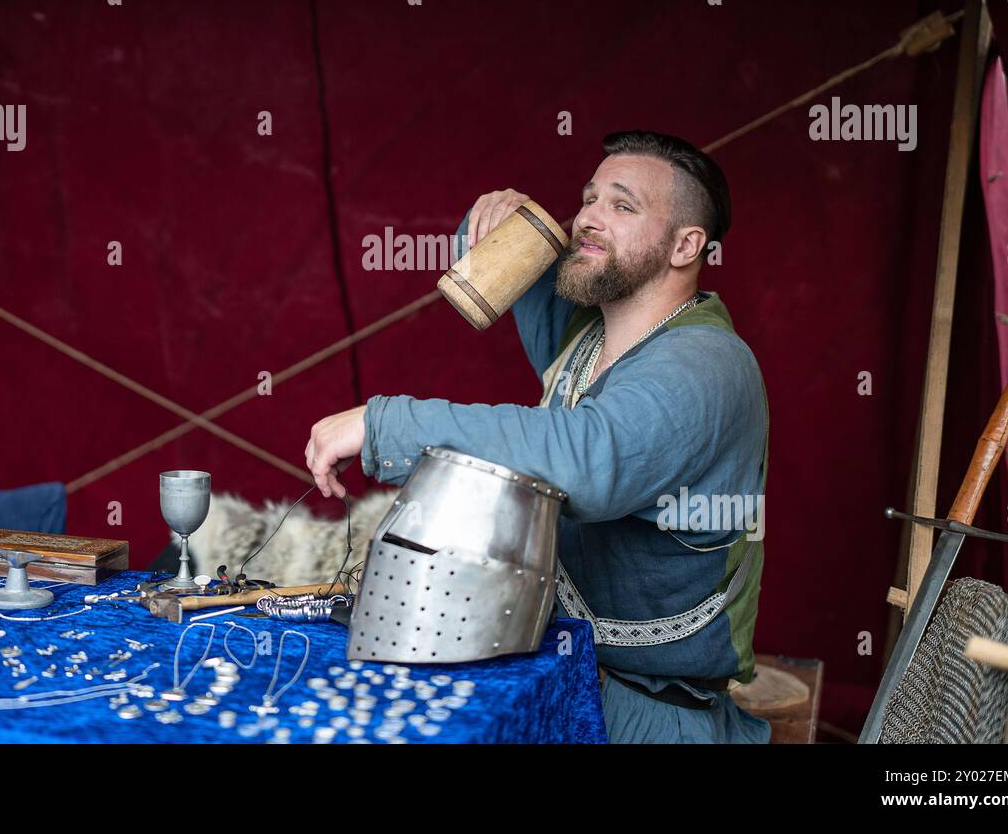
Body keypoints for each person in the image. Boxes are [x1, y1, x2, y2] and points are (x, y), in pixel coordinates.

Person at [304, 130, 770, 743]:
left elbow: (587, 459)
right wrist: (492, 211)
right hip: (557, 679)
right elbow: (491, 253)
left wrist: (385, 422)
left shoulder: (710, 365)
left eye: (622, 206)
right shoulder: (584, 335)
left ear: (687, 245)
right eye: (590, 198)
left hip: (648, 717)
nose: (588, 219)